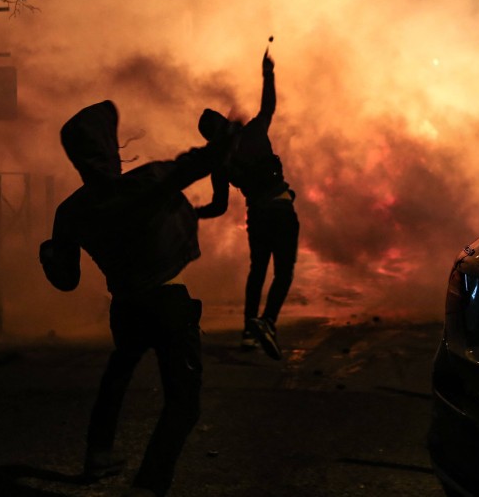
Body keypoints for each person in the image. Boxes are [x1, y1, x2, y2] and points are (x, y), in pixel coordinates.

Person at [39, 100, 238, 497]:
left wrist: (52, 250)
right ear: (109, 149)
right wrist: (226, 133)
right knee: (183, 402)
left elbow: (66, 278)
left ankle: (98, 454)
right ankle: (148, 486)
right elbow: (199, 162)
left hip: (125, 305)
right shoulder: (145, 182)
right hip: (166, 303)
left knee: (118, 374)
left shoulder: (71, 210)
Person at [195, 48, 299, 361]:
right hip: (280, 210)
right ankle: (266, 322)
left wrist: (189, 213)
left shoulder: (219, 161)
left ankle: (248, 332)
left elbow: (218, 206)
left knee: (258, 271)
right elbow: (269, 106)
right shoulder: (253, 131)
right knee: (283, 271)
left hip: (257, 217)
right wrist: (268, 73)